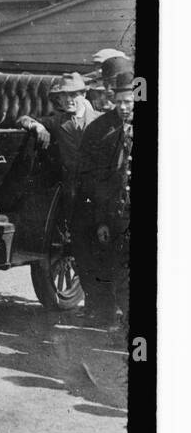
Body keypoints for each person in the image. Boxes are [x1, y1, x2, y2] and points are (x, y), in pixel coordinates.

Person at [72, 72, 134, 332]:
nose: (123, 107)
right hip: (112, 211)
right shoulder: (99, 129)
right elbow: (92, 178)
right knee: (113, 265)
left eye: (129, 102)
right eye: (119, 101)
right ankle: (109, 313)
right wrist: (100, 219)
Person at [17, 72, 101, 192]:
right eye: (63, 96)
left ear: (84, 95)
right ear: (59, 100)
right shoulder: (57, 120)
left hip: (98, 184)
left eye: (73, 95)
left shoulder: (100, 119)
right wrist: (38, 127)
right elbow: (22, 119)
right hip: (70, 185)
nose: (68, 100)